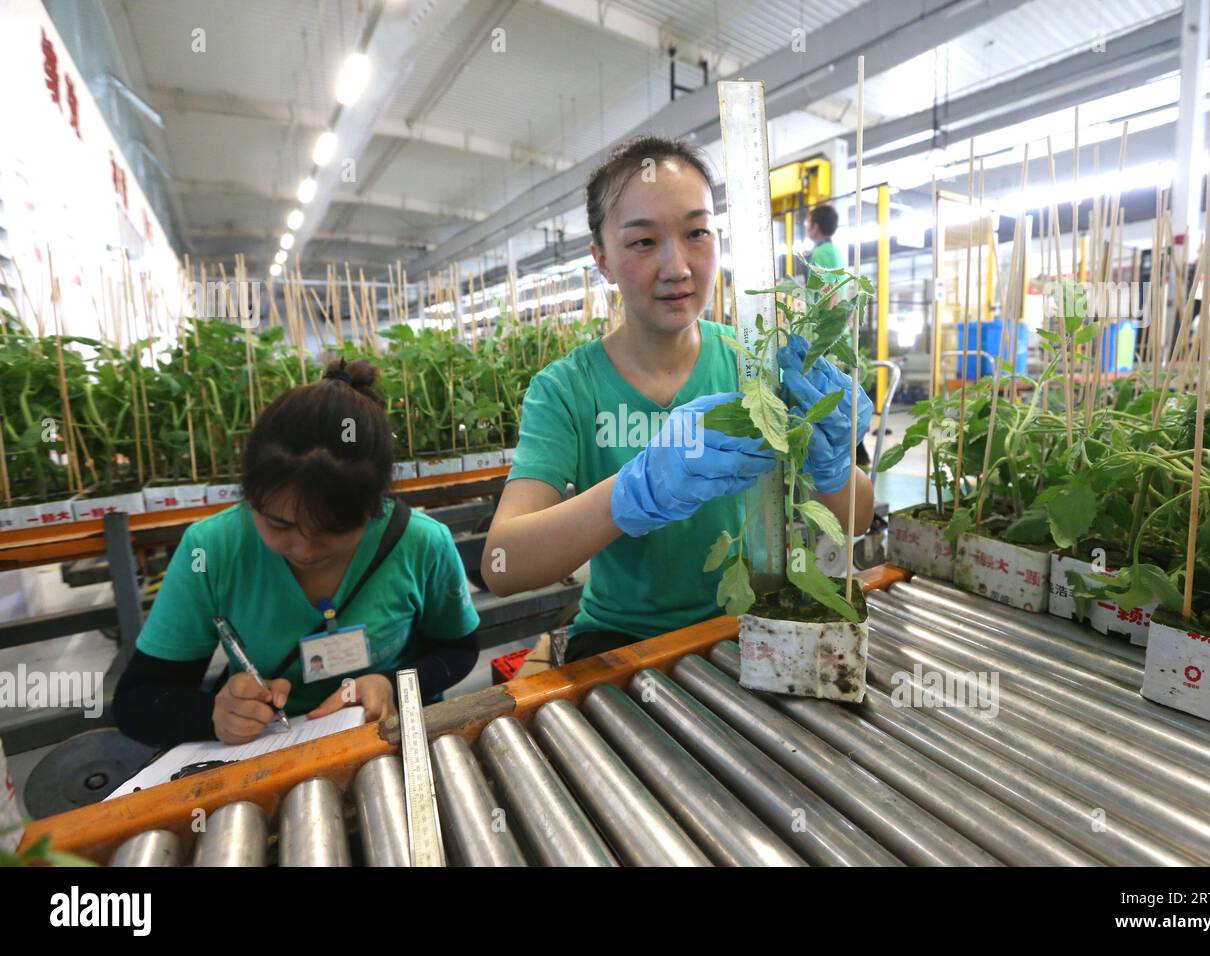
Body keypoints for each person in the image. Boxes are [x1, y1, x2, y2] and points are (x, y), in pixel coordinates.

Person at [482, 135, 874, 662]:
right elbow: (502, 564)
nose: (677, 267)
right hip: (620, 636)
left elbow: (857, 521)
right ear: (602, 259)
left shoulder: (757, 364)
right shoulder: (566, 389)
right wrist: (631, 493)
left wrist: (832, 465)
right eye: (643, 242)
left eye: (696, 233)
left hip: (752, 624)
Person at [114, 359, 480, 747]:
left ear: (375, 507)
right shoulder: (211, 549)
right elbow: (138, 702)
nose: (304, 549)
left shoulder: (422, 543)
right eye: (279, 525)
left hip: (388, 741)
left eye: (334, 531)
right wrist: (214, 715)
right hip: (270, 751)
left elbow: (458, 649)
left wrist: (392, 684)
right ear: (249, 496)